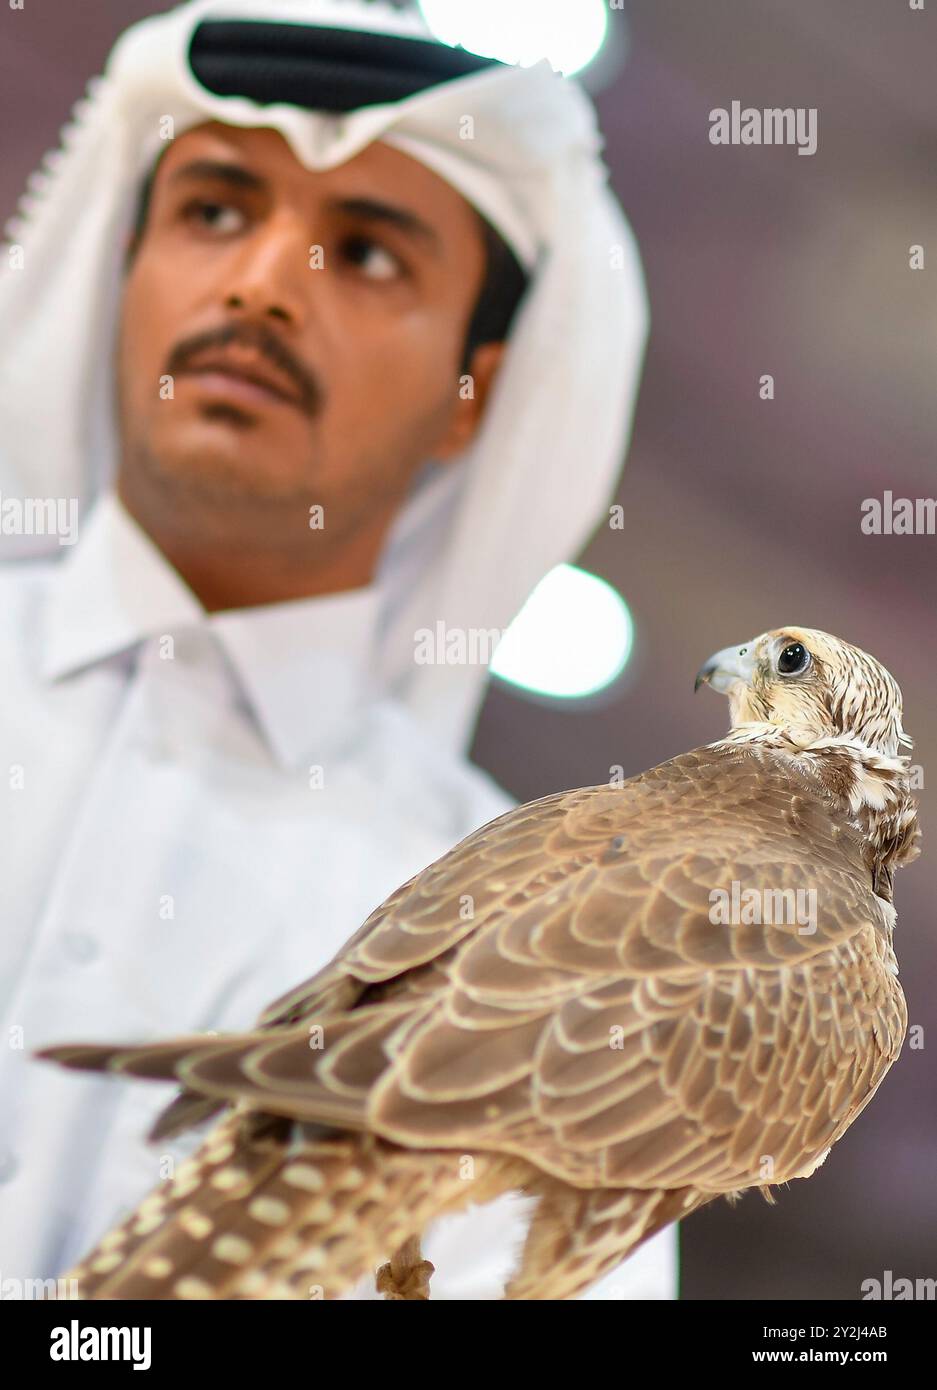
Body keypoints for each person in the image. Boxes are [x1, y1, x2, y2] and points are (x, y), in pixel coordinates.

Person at [0, 0, 670, 1298]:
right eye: (211, 211)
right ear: (120, 276)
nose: (260, 281)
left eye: (364, 253)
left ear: (473, 393)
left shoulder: (523, 952)